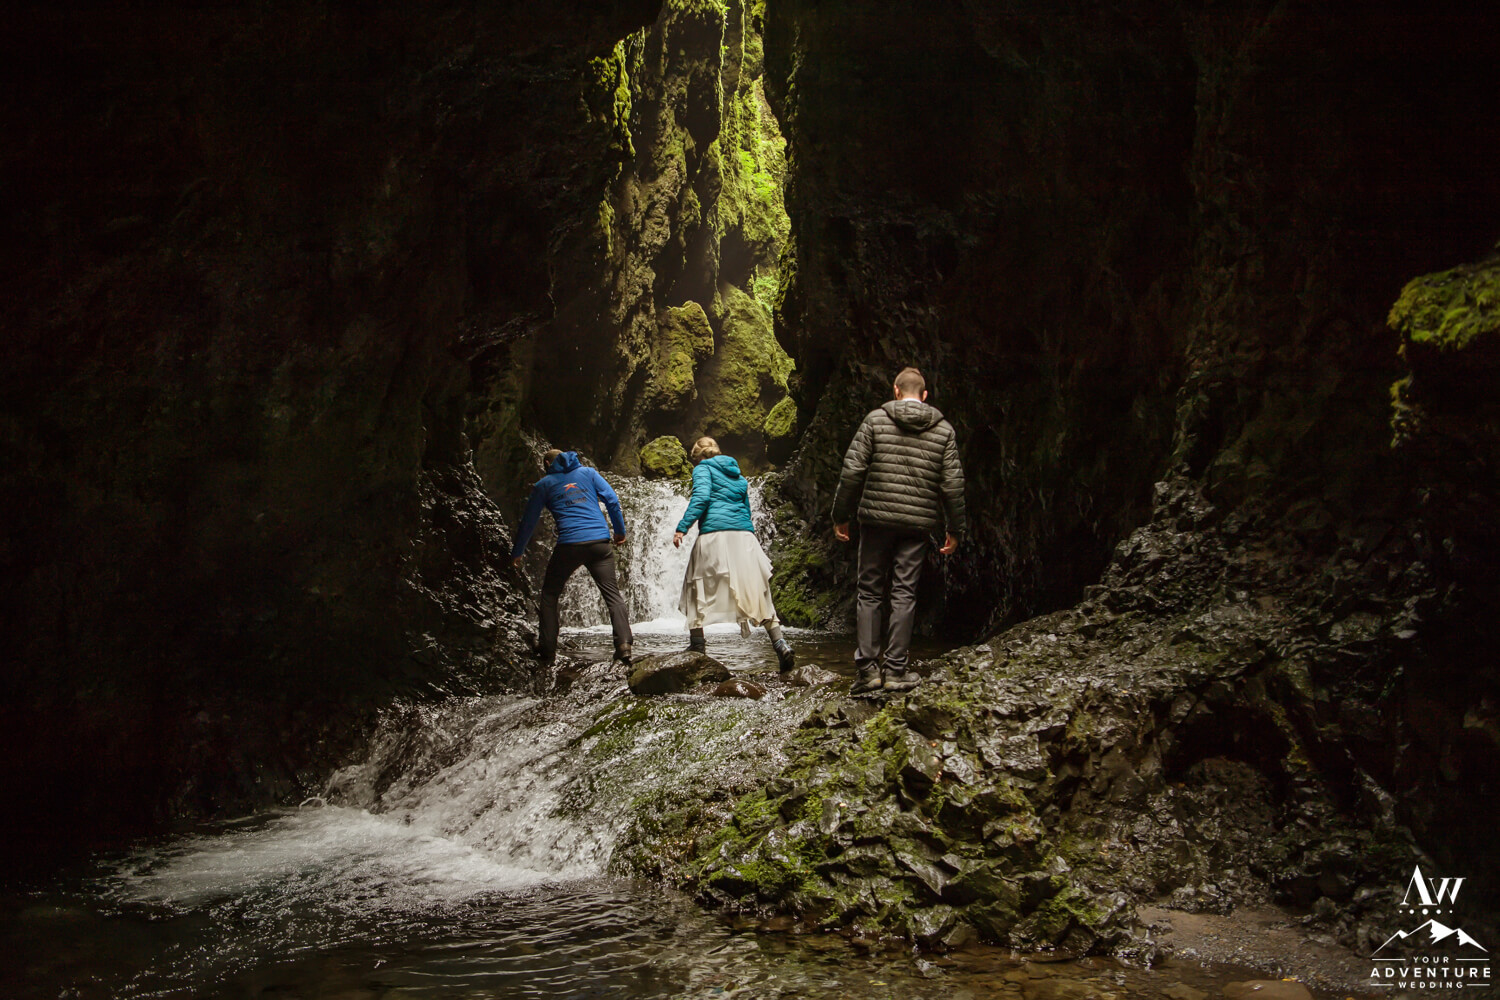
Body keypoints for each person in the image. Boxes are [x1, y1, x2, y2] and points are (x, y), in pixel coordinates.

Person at [831, 367, 966, 695]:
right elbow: (952, 485)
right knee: (904, 593)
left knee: (870, 592)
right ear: (924, 395)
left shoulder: (875, 421)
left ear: (895, 391)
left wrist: (841, 515)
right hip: (916, 524)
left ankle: (867, 671)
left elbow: (852, 471)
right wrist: (955, 528)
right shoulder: (943, 430)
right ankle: (895, 671)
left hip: (876, 520)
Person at [673, 436, 796, 672]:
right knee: (757, 591)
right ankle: (780, 644)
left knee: (696, 586)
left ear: (698, 457)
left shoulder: (702, 469)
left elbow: (701, 498)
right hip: (744, 537)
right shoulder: (738, 475)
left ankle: (697, 646)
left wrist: (682, 527)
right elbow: (747, 510)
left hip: (714, 535)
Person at [511, 449, 633, 667]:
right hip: (600, 544)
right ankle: (624, 645)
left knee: (549, 594)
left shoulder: (544, 485)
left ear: (548, 463)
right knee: (613, 595)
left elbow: (528, 521)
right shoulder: (588, 473)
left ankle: (547, 649)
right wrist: (619, 531)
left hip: (570, 545)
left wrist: (517, 552)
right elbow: (612, 500)